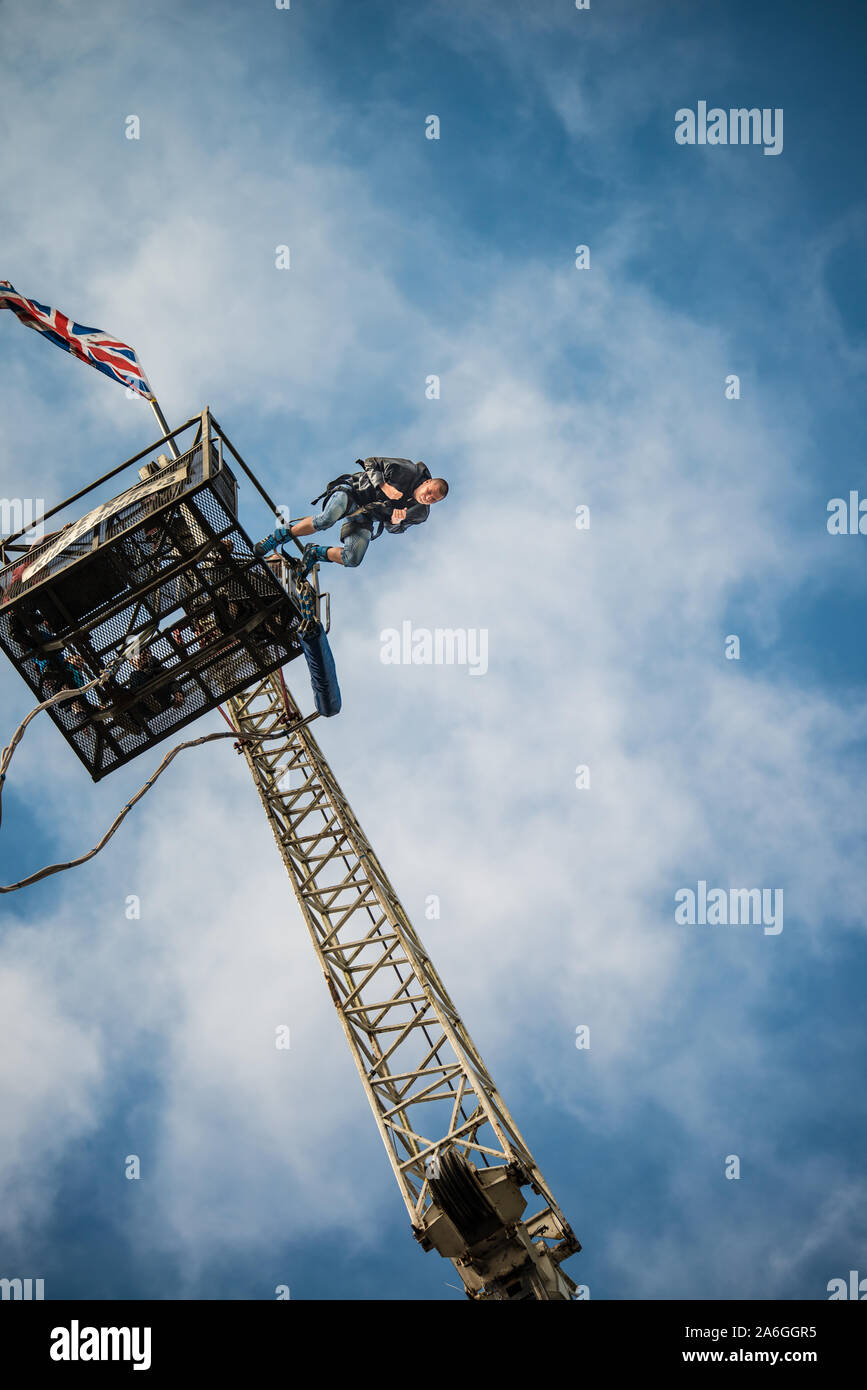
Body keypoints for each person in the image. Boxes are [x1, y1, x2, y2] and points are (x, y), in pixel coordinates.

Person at [254, 457, 448, 573]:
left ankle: (314, 552)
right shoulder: (407, 470)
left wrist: (395, 521)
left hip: (365, 516)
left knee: (353, 558)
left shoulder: (420, 513)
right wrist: (384, 486)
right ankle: (280, 535)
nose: (428, 498)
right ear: (426, 483)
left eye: (434, 500)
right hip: (353, 491)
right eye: (430, 492)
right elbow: (371, 462)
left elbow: (395, 528)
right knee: (327, 519)